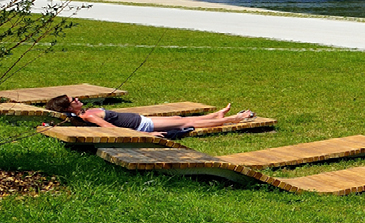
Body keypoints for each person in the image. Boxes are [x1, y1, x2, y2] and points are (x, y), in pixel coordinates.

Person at [44, 95, 254, 134]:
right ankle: (233, 119)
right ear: (69, 108)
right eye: (73, 101)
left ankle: (217, 116)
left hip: (142, 121)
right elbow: (113, 130)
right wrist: (147, 136)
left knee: (182, 119)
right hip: (142, 127)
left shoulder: (86, 112)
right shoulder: (88, 116)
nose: (77, 99)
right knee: (185, 124)